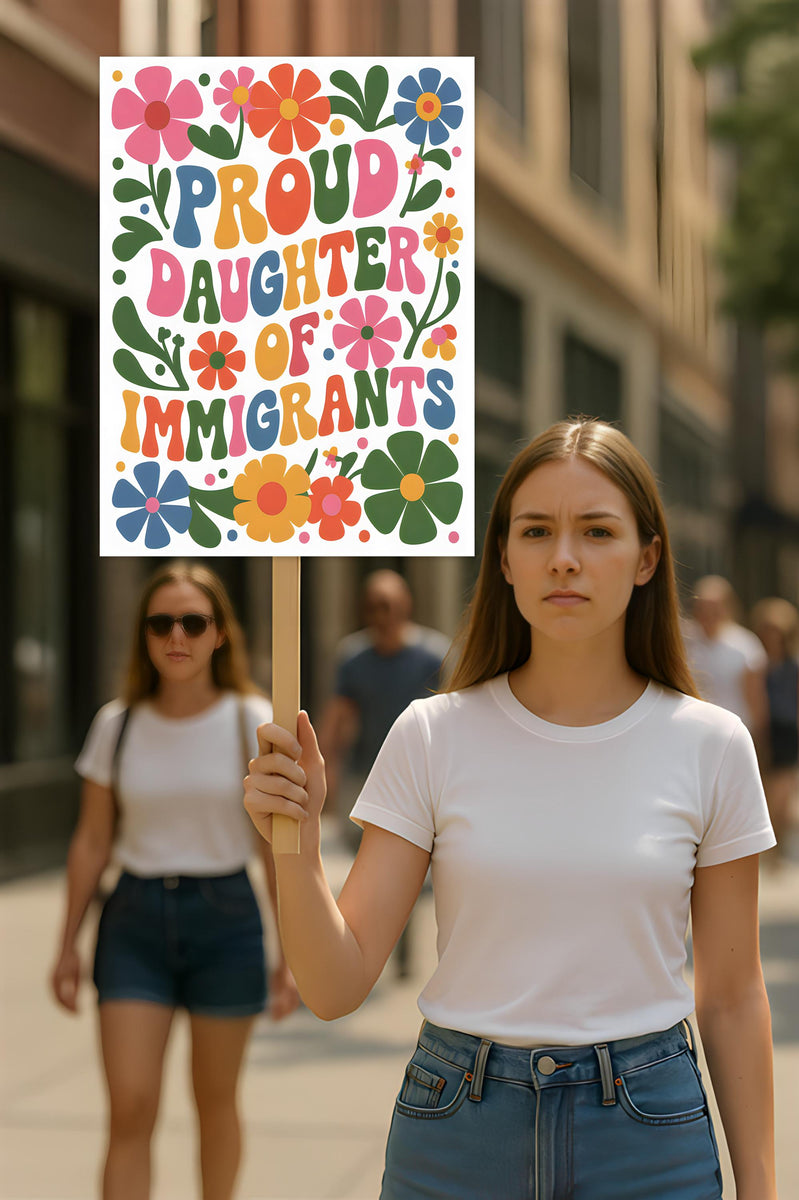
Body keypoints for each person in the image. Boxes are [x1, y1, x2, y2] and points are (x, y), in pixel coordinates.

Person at [244, 419, 777, 1200]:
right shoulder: (433, 734)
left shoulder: (710, 745)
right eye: (536, 531)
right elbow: (334, 985)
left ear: (646, 558)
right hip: (456, 1128)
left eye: (596, 530)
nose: (563, 555)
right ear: (503, 558)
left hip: (648, 1135)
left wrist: (761, 1187)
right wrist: (288, 842)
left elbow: (731, 997)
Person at [50, 562, 299, 1200]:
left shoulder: (252, 720)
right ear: (144, 635)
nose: (177, 635)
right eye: (161, 623)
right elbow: (91, 840)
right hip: (132, 920)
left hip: (226, 920)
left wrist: (290, 951)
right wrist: (66, 944)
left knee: (216, 1103)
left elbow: (270, 848)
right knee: (130, 1107)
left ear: (220, 634)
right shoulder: (118, 723)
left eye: (194, 621)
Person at [318, 570, 449, 975]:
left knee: (406, 866)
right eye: (374, 606)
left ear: (405, 606)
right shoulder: (354, 658)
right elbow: (339, 713)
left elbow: (454, 712)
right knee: (368, 860)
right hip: (367, 774)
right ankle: (364, 946)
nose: (382, 613)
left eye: (388, 605)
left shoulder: (432, 654)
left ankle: (398, 948)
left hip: (419, 778)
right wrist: (326, 768)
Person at [685, 575, 769, 750]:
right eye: (702, 607)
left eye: (714, 608)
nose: (708, 614)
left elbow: (755, 698)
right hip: (693, 734)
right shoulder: (683, 640)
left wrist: (759, 741)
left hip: (734, 736)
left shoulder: (745, 645)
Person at [751, 596, 799, 864]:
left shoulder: (793, 665)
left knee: (782, 793)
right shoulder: (755, 661)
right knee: (763, 787)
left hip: (786, 732)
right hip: (761, 728)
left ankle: (776, 847)